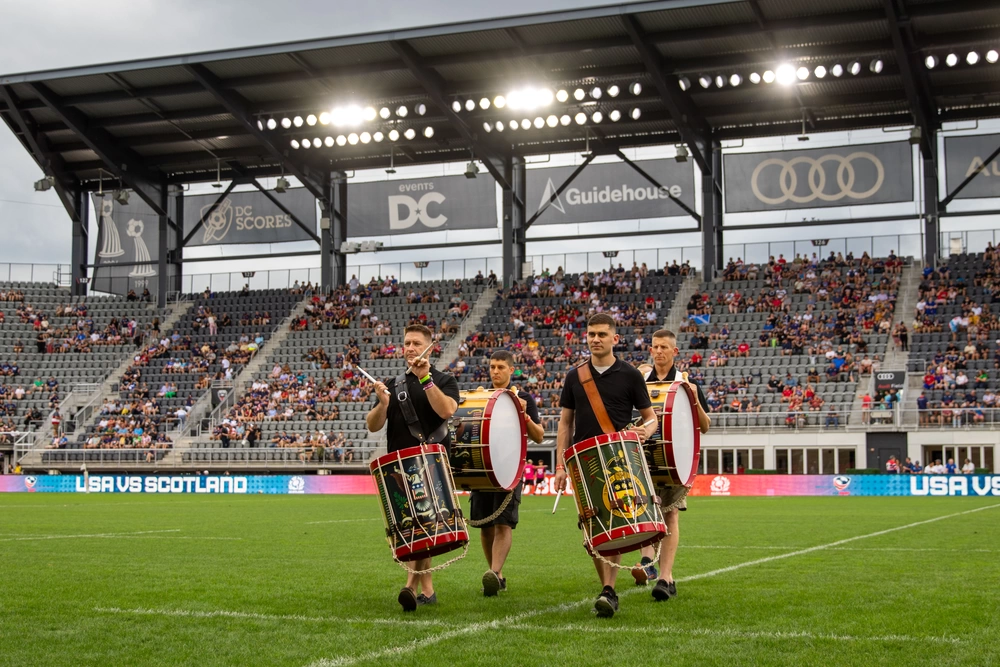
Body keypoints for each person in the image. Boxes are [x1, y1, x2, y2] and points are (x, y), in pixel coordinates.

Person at [553, 313, 658, 618]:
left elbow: (651, 417)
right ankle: (608, 587)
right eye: (591, 334)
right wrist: (561, 466)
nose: (595, 339)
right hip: (584, 463)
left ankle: (608, 591)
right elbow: (565, 424)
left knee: (615, 523)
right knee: (593, 526)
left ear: (615, 339)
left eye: (601, 334)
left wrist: (646, 429)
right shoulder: (575, 376)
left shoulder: (630, 375)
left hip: (620, 459)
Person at [366, 324, 459, 612]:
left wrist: (426, 379)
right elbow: (372, 425)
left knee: (425, 524)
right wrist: (383, 404)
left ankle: (409, 586)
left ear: (430, 347)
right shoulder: (392, 385)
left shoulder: (444, 380)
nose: (409, 348)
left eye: (416, 343)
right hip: (398, 467)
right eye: (406, 343)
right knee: (414, 527)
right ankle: (427, 589)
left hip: (432, 464)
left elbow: (447, 411)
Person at [631, 330, 711, 600]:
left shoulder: (686, 382)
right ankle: (647, 564)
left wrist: (695, 399)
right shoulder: (639, 380)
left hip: (675, 459)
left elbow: (705, 426)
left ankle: (665, 577)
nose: (659, 351)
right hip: (643, 458)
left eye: (665, 347)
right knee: (643, 512)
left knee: (670, 515)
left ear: (675, 351)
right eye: (655, 347)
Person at [472, 351, 544, 598]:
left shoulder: (523, 398)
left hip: (510, 468)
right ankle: (496, 576)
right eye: (492, 367)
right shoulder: (481, 397)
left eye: (501, 367)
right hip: (483, 468)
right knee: (484, 525)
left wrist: (524, 415)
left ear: (511, 370)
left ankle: (493, 572)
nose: (495, 372)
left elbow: (539, 436)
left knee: (503, 523)